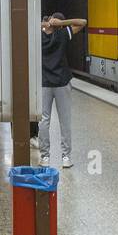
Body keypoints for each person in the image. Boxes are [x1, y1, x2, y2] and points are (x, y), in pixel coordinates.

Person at [38, 12, 86, 168]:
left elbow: (25, 26)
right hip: (62, 82)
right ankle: (66, 157)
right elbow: (82, 22)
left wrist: (42, 25)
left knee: (44, 120)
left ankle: (45, 157)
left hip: (44, 83)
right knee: (65, 121)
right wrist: (63, 23)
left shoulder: (38, 36)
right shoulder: (63, 34)